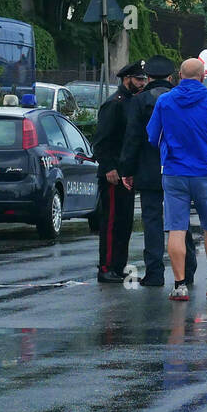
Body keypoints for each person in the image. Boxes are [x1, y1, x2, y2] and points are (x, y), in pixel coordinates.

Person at [146, 58, 207, 300]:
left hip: (175, 172)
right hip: (206, 172)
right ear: (203, 76)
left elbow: (153, 137)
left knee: (176, 229)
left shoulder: (165, 102)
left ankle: (179, 285)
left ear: (179, 75)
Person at [119, 56, 194, 288]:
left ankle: (154, 273)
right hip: (180, 167)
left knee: (152, 222)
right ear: (171, 77)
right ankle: (187, 271)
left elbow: (132, 138)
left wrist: (127, 170)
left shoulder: (140, 101)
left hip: (149, 169)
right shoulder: (182, 100)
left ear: (148, 77)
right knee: (181, 221)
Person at [92, 60, 147, 283]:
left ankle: (119, 265)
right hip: (113, 174)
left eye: (144, 79)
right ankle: (106, 267)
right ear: (127, 80)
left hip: (127, 172)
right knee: (112, 222)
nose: (142, 83)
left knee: (124, 222)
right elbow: (102, 141)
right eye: (138, 79)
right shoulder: (115, 104)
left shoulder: (131, 102)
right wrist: (109, 168)